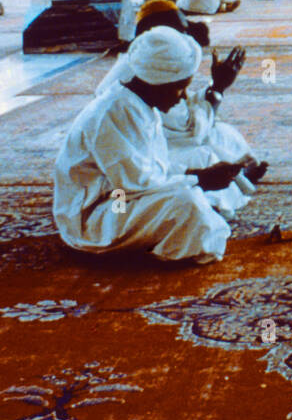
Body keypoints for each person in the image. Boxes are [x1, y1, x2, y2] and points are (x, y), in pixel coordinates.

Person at [53, 27, 238, 263]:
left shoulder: (139, 103)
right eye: (180, 88)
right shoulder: (113, 113)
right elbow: (135, 184)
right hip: (98, 214)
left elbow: (151, 166)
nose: (183, 97)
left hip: (120, 192)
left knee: (202, 163)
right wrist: (199, 180)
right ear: (157, 83)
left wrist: (196, 174)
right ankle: (118, 254)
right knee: (187, 203)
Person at [96, 0, 266, 219]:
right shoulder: (132, 91)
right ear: (157, 38)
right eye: (180, 32)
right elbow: (190, 133)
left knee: (221, 135)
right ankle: (223, 191)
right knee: (203, 156)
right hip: (116, 194)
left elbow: (183, 114)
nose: (185, 38)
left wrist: (217, 88)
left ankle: (228, 185)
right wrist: (199, 178)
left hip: (140, 167)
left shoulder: (148, 69)